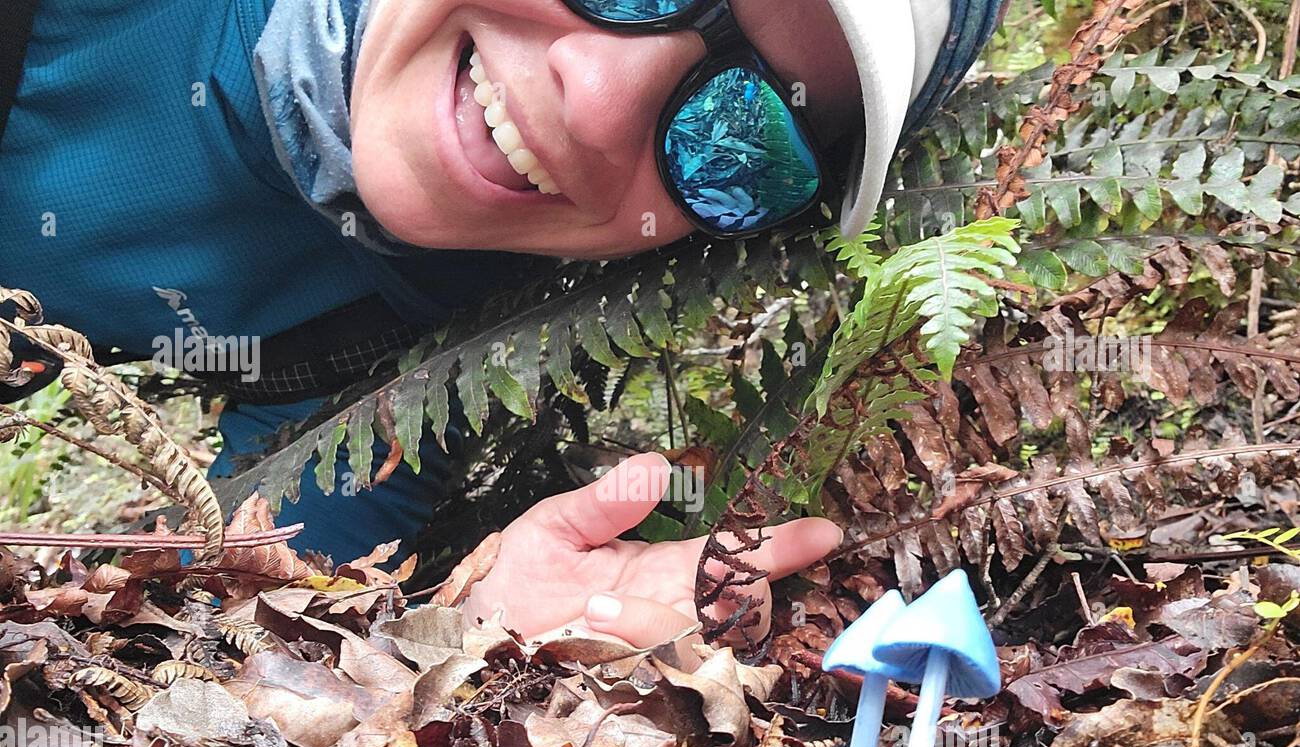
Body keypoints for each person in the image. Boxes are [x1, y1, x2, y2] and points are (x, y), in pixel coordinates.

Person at [0, 0, 1004, 648]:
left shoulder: (431, 342)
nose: (598, 100)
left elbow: (218, 616)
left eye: (740, 138)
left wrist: (462, 630)